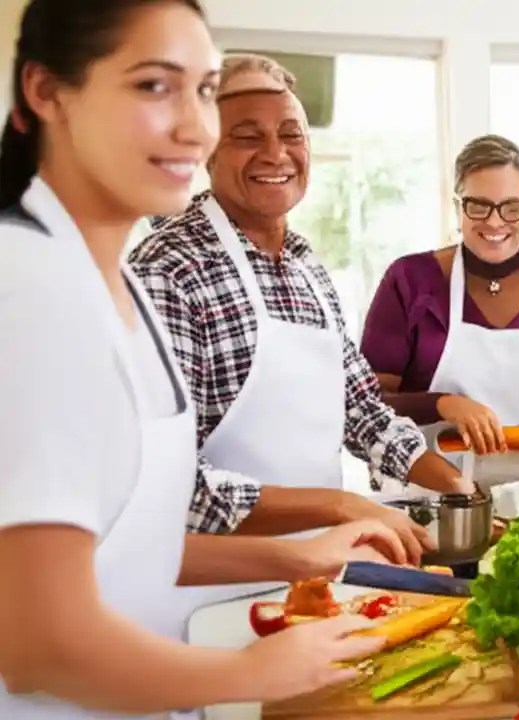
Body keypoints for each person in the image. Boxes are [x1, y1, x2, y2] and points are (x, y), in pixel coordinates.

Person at [0, 1, 400, 715]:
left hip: (162, 685)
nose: (194, 125)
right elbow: (37, 646)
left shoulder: (112, 286)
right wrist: (251, 673)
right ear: (47, 93)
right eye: (154, 86)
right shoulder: (30, 289)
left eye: (203, 90)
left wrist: (297, 554)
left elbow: (131, 536)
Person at [128, 54, 473, 624]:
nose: (275, 153)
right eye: (247, 135)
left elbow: (360, 411)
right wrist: (341, 506)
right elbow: (168, 485)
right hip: (201, 603)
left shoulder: (306, 264)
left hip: (315, 584)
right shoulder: (169, 269)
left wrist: (457, 491)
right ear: (206, 149)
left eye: (292, 133)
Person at [361, 134, 519, 489]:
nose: (495, 222)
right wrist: (444, 405)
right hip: (427, 496)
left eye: (512, 207)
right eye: (479, 205)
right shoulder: (411, 280)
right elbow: (367, 401)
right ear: (458, 206)